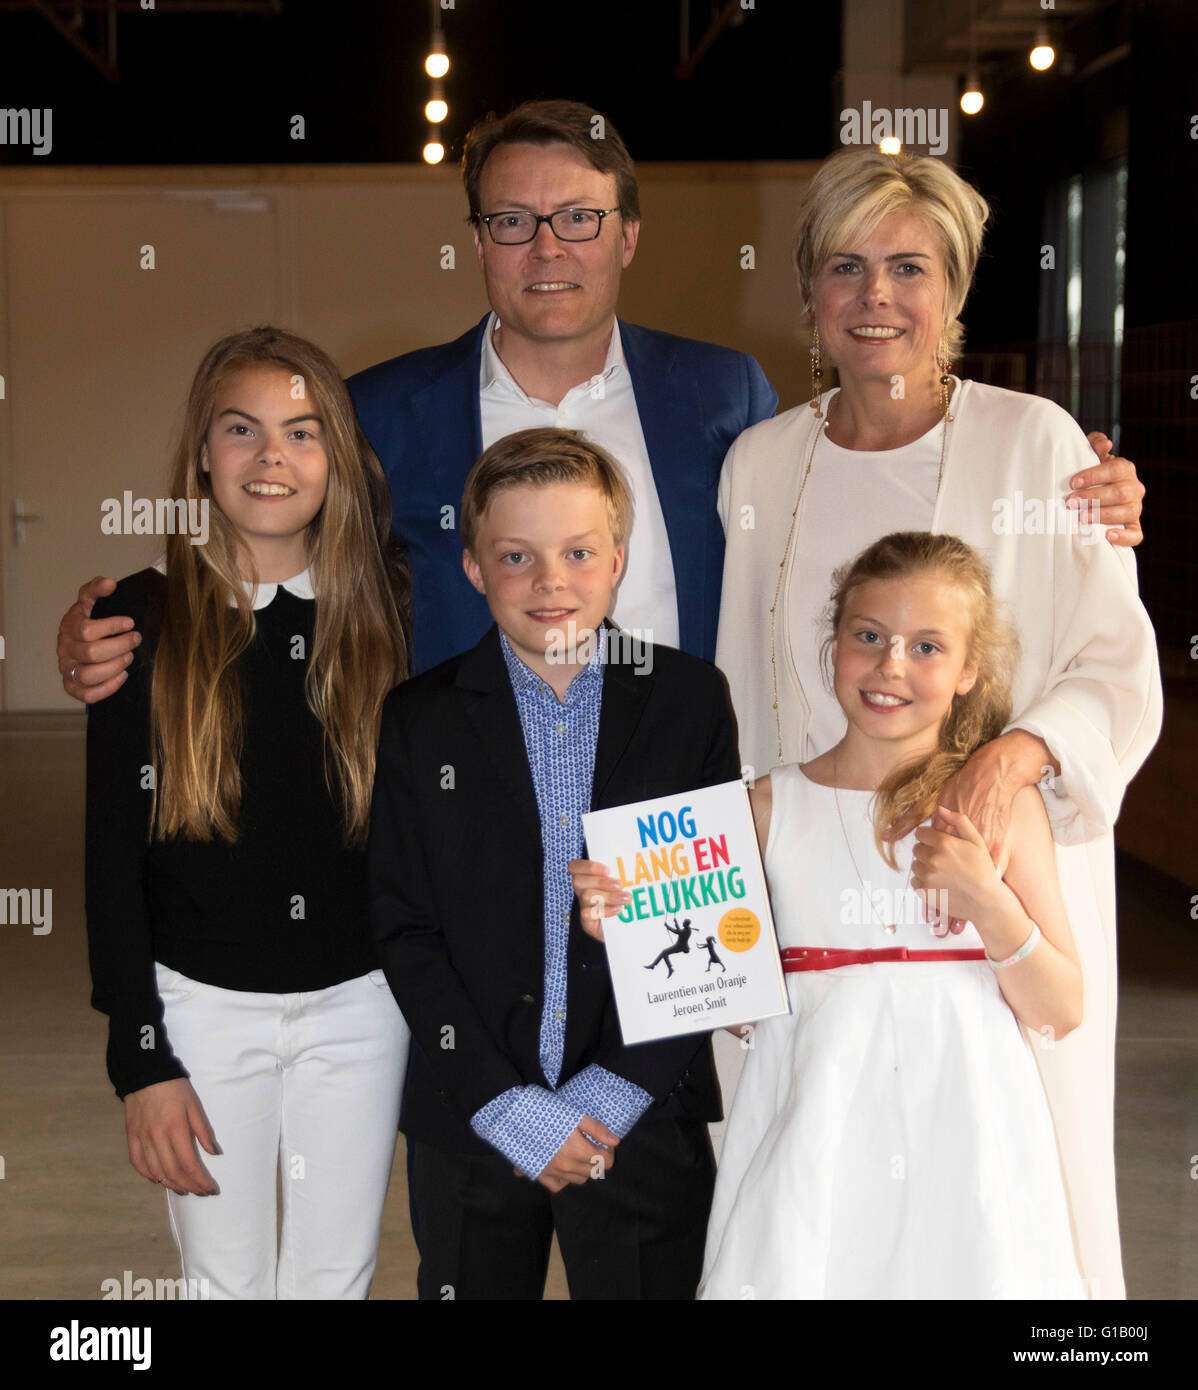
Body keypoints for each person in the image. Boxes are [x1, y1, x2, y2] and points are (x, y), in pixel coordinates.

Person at [53, 99, 1141, 692]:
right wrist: (130, 617)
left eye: (577, 217)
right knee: (474, 1106)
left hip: (678, 817)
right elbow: (266, 530)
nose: (546, 249)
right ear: (477, 241)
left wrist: (1068, 490)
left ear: (625, 235)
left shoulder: (723, 396)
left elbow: (858, 513)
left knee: (680, 1105)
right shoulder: (384, 408)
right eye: (511, 220)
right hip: (463, 816)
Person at [713, 148, 1162, 1296]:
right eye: (846, 266)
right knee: (805, 1207)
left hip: (989, 880)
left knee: (1001, 1213)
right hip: (811, 897)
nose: (876, 298)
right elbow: (736, 691)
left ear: (953, 290)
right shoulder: (761, 462)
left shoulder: (1040, 445)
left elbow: (1115, 666)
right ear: (808, 288)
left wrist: (1007, 761)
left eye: (908, 267)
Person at [367, 427, 739, 1300]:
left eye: (578, 551)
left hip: (643, 1113)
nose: (550, 581)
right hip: (474, 1117)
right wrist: (507, 1107)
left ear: (618, 557)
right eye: (515, 556)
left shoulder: (687, 701)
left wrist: (610, 1097)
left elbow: (712, 917)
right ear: (471, 567)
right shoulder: (420, 719)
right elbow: (404, 926)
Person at [85, 327, 412, 1299]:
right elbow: (111, 855)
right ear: (201, 454)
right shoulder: (139, 620)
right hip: (201, 1011)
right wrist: (140, 1054)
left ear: (339, 459)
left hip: (359, 1007)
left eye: (303, 432)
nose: (272, 457)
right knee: (222, 1277)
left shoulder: (384, 608)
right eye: (242, 429)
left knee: (332, 1274)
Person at [698, 533, 1086, 1299]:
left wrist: (988, 903)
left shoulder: (1001, 813)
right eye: (868, 637)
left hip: (968, 1144)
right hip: (814, 1147)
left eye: (928, 646)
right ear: (834, 643)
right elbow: (729, 1000)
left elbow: (1062, 1008)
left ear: (971, 670)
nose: (891, 666)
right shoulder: (762, 809)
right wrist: (628, 920)